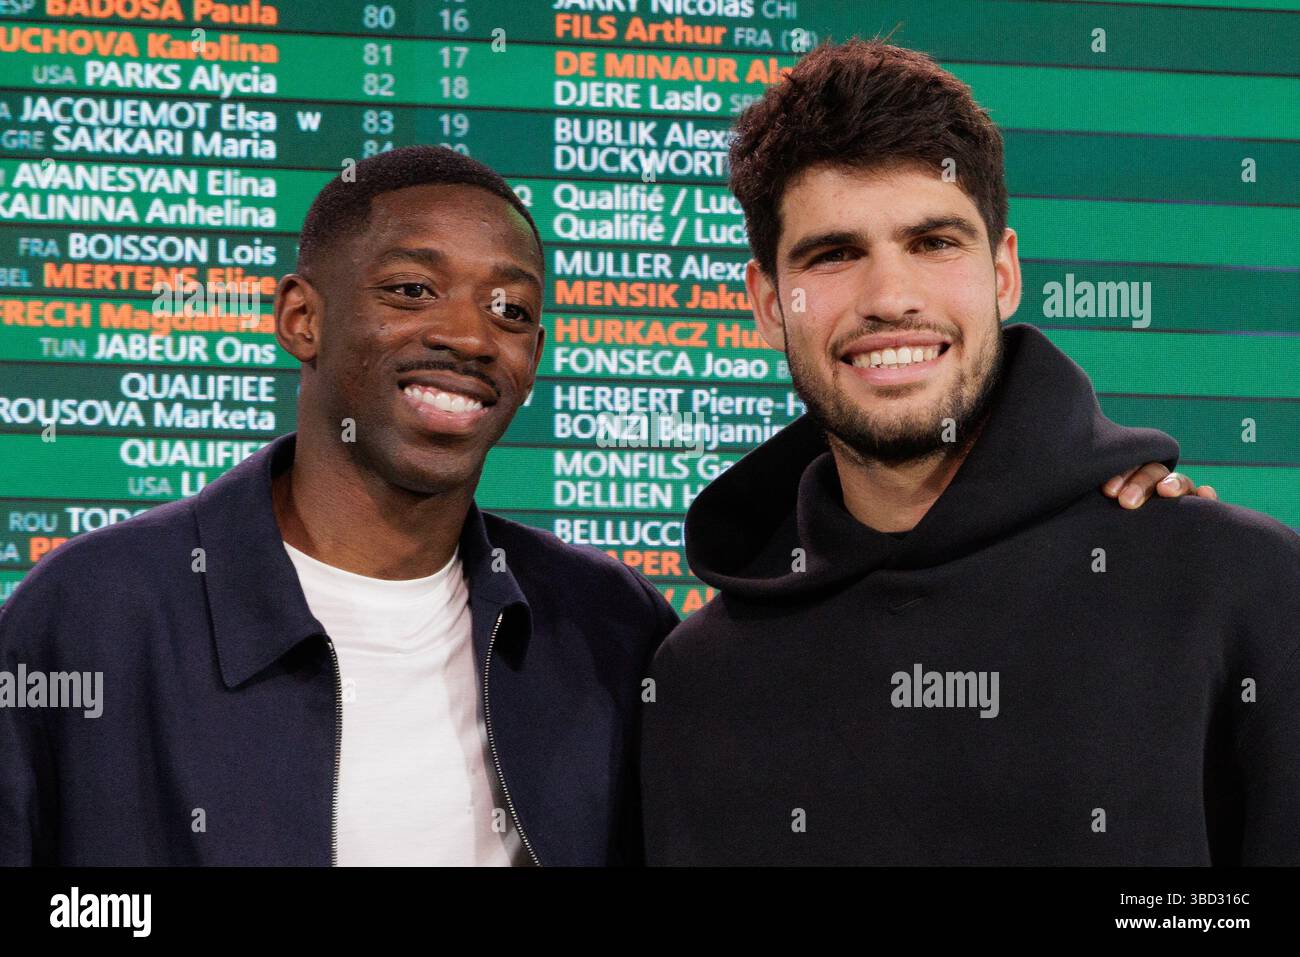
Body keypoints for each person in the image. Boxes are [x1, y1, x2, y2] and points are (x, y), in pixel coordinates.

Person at [641, 40, 1296, 865]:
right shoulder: (697, 683)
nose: (890, 299)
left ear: (1004, 272)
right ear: (770, 304)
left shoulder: (1236, 584)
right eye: (836, 254)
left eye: (934, 242)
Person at [0, 146, 677, 866]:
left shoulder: (612, 625)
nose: (471, 336)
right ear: (301, 318)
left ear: (534, 356)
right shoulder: (88, 615)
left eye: (509, 309)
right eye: (413, 289)